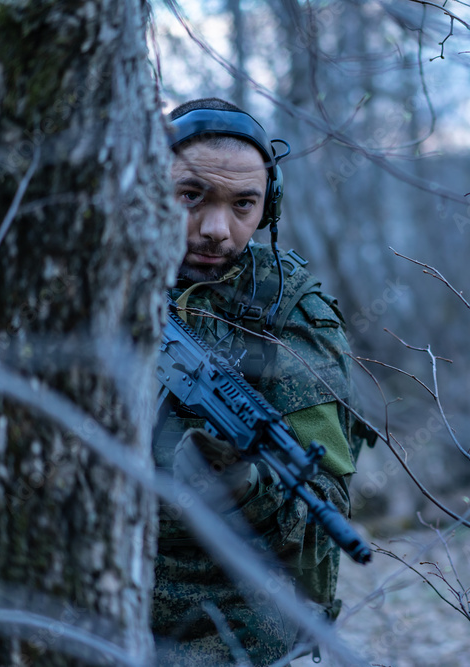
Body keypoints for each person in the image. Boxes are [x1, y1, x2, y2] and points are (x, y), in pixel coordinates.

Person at [152, 97, 366, 665]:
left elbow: (324, 528)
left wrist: (245, 483)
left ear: (266, 210)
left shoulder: (290, 314)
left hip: (230, 628)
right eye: (190, 196)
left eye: (244, 204)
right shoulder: (83, 274)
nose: (217, 229)